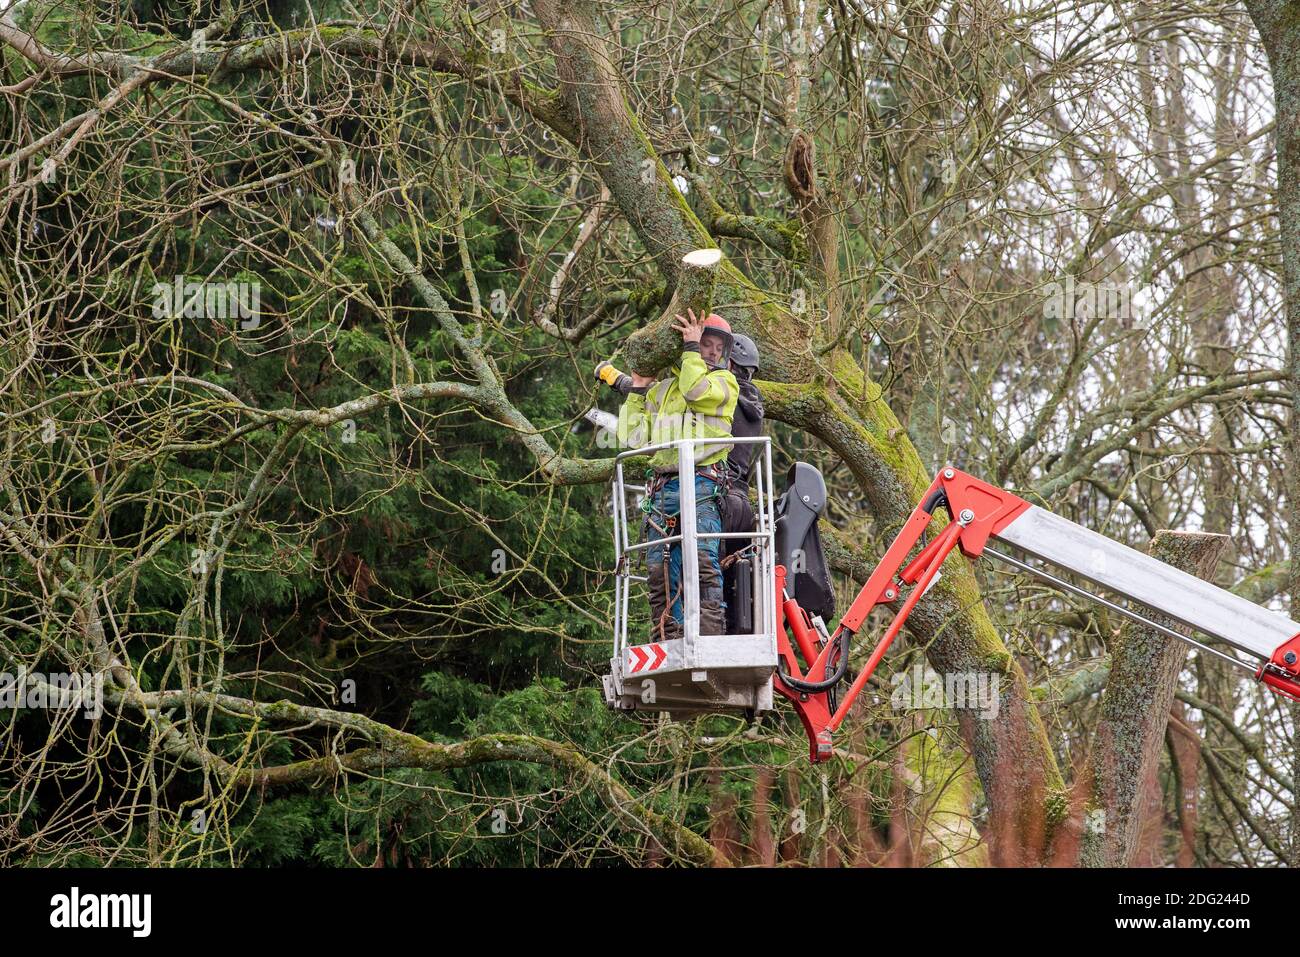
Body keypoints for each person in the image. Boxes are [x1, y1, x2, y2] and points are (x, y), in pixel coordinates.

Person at [596, 310, 739, 641]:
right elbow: (633, 437)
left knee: (703, 557)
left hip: (703, 482)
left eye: (718, 346)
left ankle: (709, 633)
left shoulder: (723, 382)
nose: (714, 351)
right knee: (660, 567)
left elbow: (694, 390)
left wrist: (691, 348)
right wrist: (638, 390)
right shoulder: (660, 393)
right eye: (706, 343)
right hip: (664, 488)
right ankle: (667, 634)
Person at [719, 334, 764, 633]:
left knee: (705, 571)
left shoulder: (723, 393)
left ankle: (709, 630)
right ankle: (736, 634)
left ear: (729, 362)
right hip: (742, 503)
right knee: (733, 574)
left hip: (719, 496)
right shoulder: (754, 404)